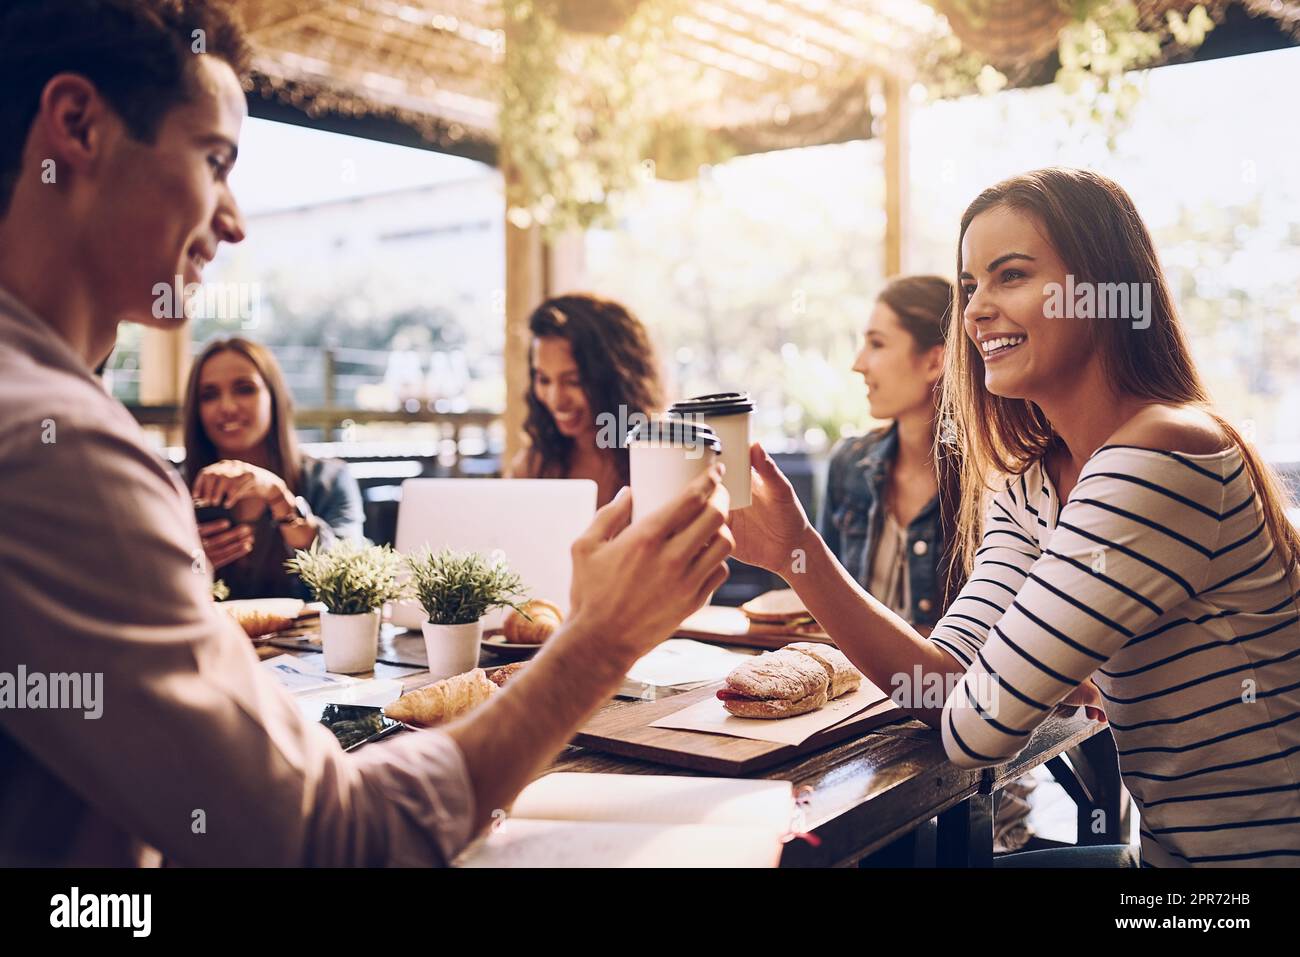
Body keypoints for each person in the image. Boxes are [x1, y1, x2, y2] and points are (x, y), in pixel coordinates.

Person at [0, 0, 732, 866]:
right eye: (215, 160)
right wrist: (598, 644)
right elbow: (326, 837)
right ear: (79, 125)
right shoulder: (64, 451)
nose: (234, 221)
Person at [731, 167, 1300, 867]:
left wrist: (1002, 685)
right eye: (971, 287)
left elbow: (975, 728)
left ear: (1101, 291)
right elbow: (943, 682)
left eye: (1011, 276)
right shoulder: (1034, 484)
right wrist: (798, 553)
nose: (974, 310)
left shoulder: (1163, 452)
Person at [819, 276, 959, 635]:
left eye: (877, 344)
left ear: (933, 361)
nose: (858, 364)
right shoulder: (849, 464)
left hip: (951, 691)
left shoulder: (993, 483)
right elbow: (820, 603)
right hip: (854, 689)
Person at [183, 336, 363, 598]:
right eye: (209, 395)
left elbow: (356, 587)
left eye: (244, 389)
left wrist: (280, 500)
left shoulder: (329, 480)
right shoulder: (173, 490)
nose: (227, 407)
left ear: (274, 397)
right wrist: (182, 567)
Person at [507, 294, 664, 507]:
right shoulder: (533, 466)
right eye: (543, 379)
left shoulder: (659, 459)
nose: (556, 400)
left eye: (574, 381)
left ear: (617, 379)